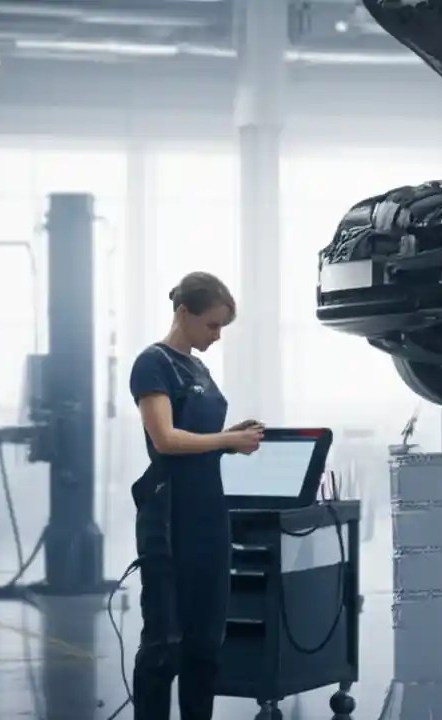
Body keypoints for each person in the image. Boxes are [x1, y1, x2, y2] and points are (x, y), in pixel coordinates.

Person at [128, 271, 265, 720]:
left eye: (222, 327)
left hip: (208, 514)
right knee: (166, 641)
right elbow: (166, 439)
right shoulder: (154, 364)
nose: (217, 335)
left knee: (205, 644)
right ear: (183, 312)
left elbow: (196, 439)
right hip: (169, 516)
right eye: (211, 325)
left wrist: (229, 435)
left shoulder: (199, 368)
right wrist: (224, 442)